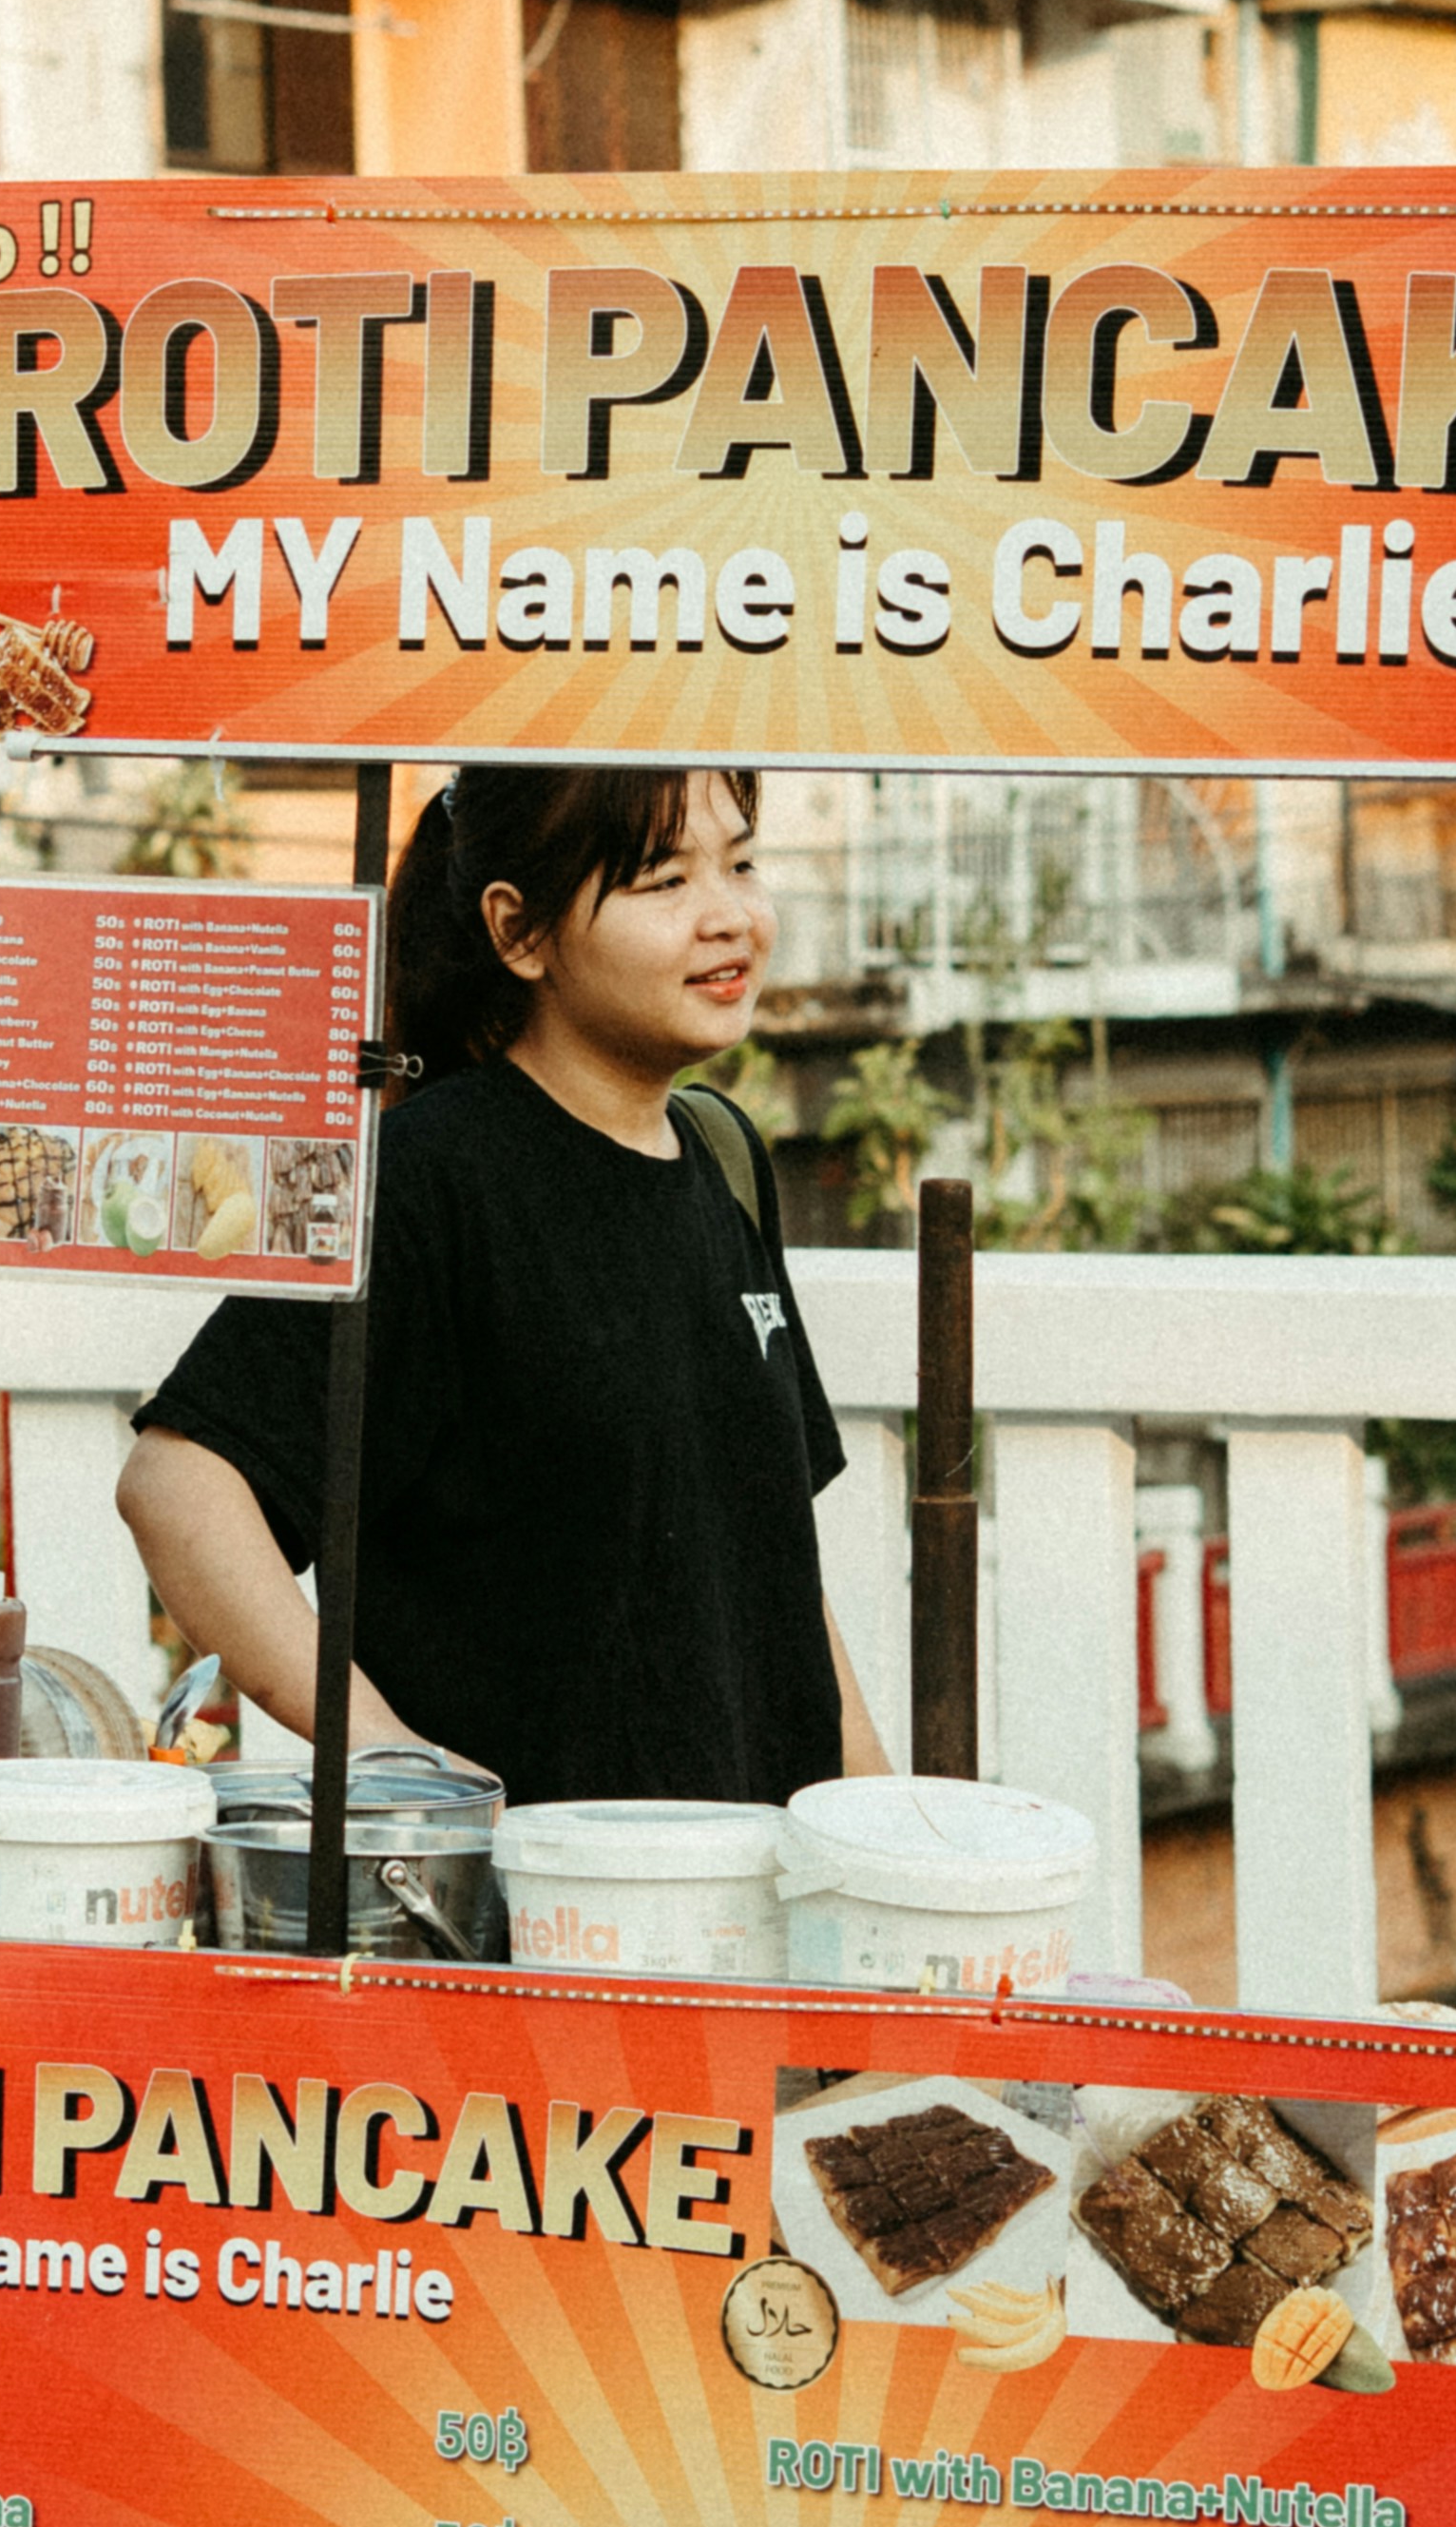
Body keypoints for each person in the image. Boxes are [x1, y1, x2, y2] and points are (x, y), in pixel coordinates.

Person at [123, 762, 886, 1804]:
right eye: (663, 880)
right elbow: (176, 1485)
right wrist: (385, 1755)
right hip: (535, 1925)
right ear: (518, 932)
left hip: (754, 1909)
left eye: (740, 863)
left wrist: (875, 1818)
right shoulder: (433, 1178)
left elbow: (775, 1569)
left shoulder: (726, 1158)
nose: (729, 918)